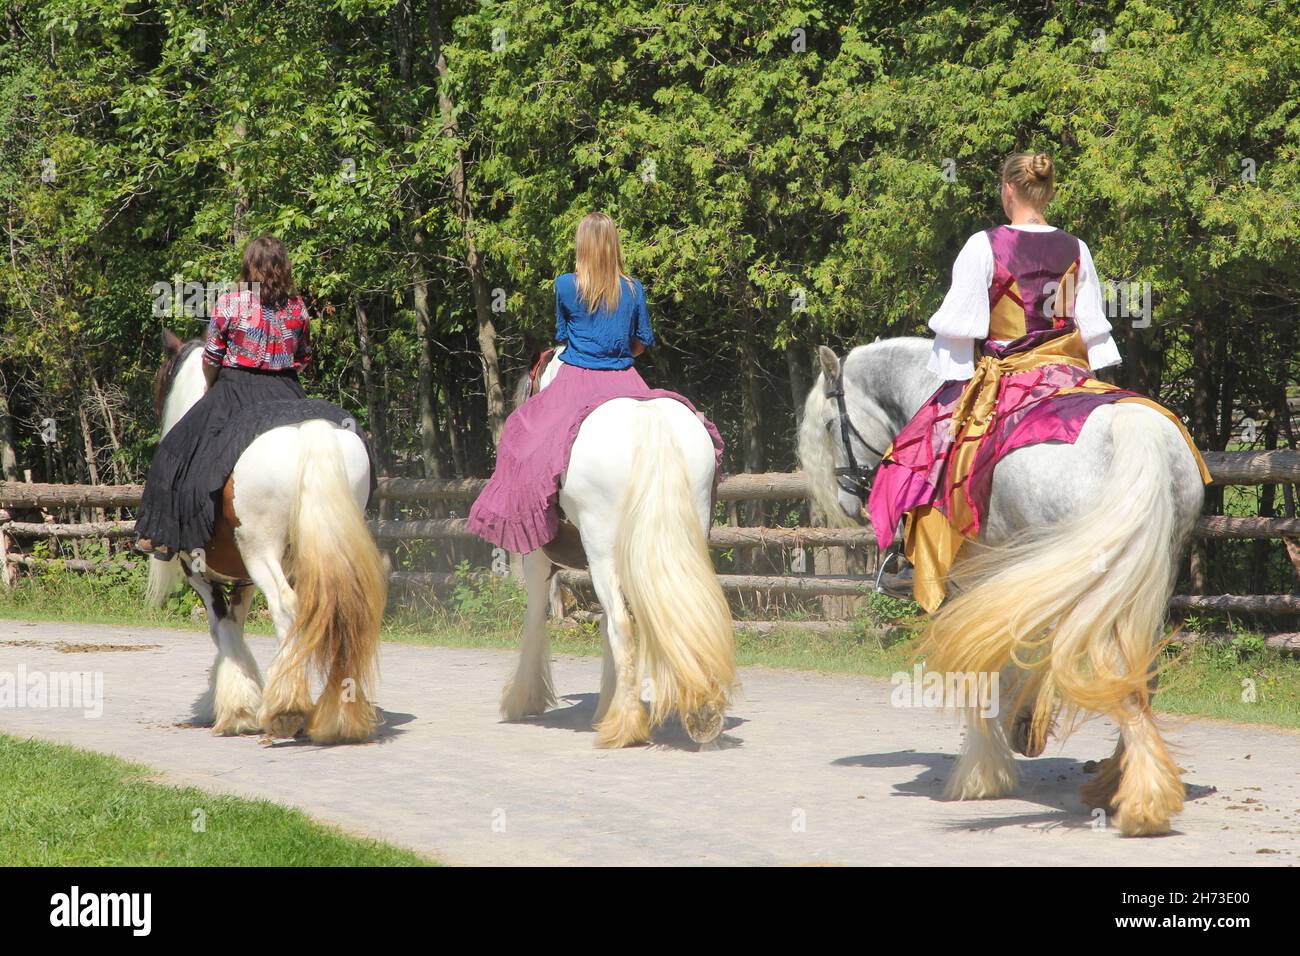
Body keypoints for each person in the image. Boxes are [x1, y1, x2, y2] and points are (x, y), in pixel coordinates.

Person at [867, 152, 1211, 612]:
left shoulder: (983, 245)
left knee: (933, 449)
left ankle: (916, 563)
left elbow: (957, 338)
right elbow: (1091, 334)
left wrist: (958, 391)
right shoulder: (1076, 247)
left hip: (1007, 375)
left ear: (1008, 191)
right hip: (1070, 376)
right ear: (1047, 193)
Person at [467, 212, 724, 553]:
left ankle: (543, 528)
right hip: (624, 378)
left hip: (577, 378)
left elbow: (562, 337)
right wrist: (616, 352)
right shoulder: (633, 289)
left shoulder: (565, 285)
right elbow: (642, 341)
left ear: (582, 246)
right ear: (614, 244)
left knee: (521, 434)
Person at [134, 235, 313, 558]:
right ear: (284, 267)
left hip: (236, 388)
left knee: (173, 452)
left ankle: (162, 536)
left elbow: (212, 357)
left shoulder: (231, 303)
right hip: (286, 390)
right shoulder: (298, 308)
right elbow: (303, 357)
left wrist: (209, 387)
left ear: (248, 266)